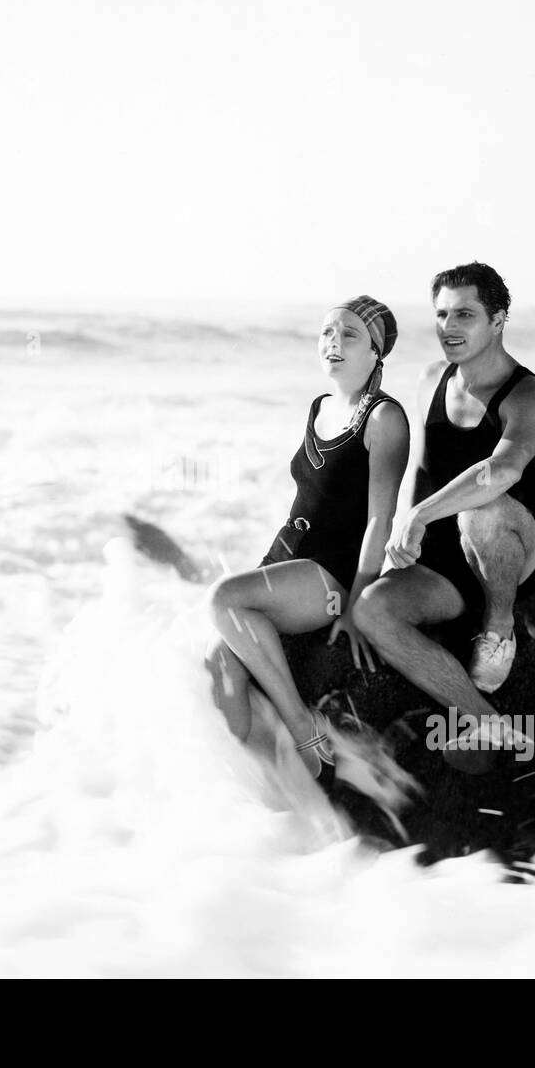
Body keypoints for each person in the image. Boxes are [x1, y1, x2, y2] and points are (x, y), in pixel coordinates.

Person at [352, 263, 535, 765]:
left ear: (499, 320)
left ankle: (500, 625)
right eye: (441, 314)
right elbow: (417, 474)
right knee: (371, 610)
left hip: (513, 545)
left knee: (479, 514)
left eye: (465, 314)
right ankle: (483, 717)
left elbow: (503, 469)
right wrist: (394, 553)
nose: (449, 326)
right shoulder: (431, 380)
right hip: (445, 562)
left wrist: (421, 515)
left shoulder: (528, 395)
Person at [204, 297, 409, 782]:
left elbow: (380, 520)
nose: (333, 342)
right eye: (327, 332)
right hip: (290, 559)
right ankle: (253, 792)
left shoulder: (384, 419)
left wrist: (359, 605)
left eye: (350, 334)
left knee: (224, 597)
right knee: (219, 664)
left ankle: (304, 726)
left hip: (332, 573)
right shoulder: (319, 406)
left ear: (376, 352)